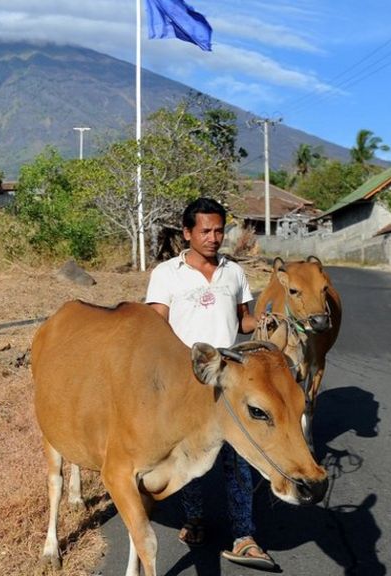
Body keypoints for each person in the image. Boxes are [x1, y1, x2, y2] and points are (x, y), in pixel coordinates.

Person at [144, 197, 276, 570]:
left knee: (238, 458)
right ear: (187, 233)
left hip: (230, 378)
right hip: (185, 378)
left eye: (219, 230)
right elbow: (156, 327)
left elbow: (244, 322)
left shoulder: (233, 273)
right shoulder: (167, 274)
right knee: (191, 456)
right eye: (205, 230)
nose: (214, 237)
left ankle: (245, 536)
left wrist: (268, 322)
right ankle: (194, 519)